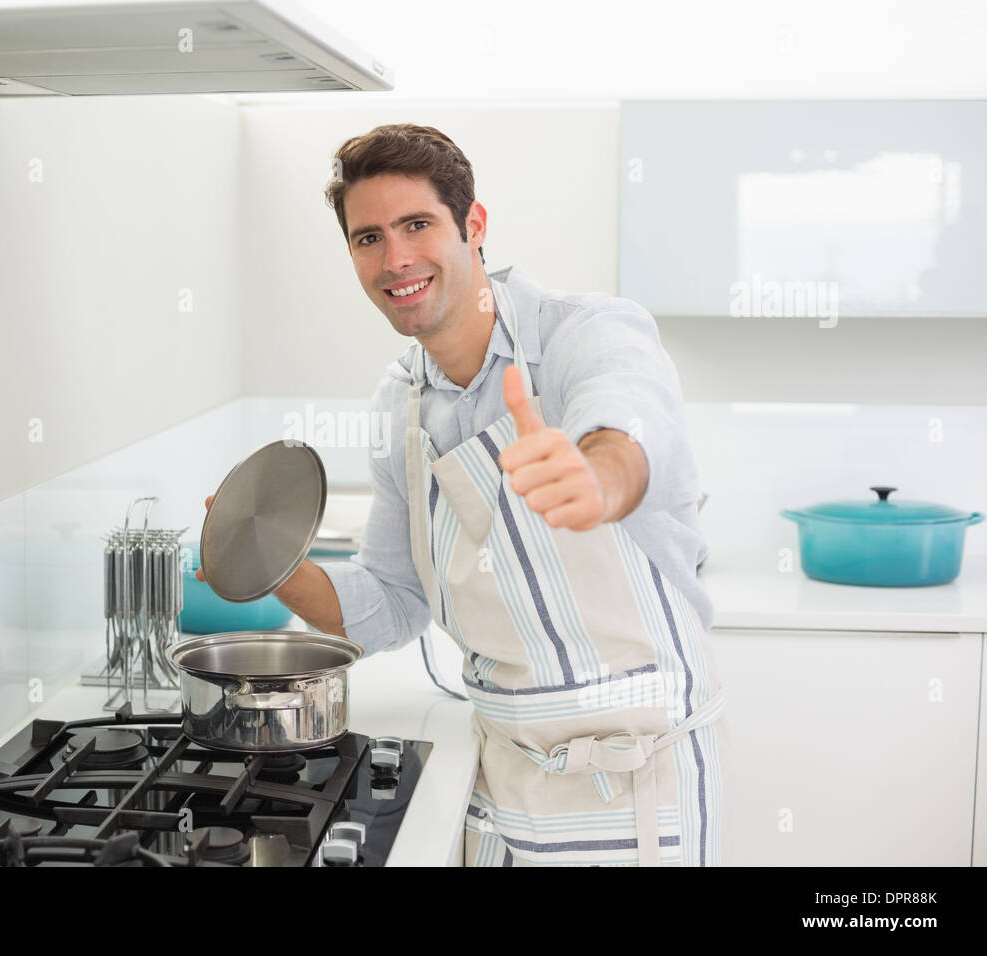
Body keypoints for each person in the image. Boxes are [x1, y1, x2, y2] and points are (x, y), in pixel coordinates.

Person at [201, 123, 729, 867]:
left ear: (473, 225)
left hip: (644, 783)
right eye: (368, 238)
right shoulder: (400, 405)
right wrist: (269, 559)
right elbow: (390, 599)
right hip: (504, 779)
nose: (397, 259)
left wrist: (596, 477)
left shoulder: (584, 332)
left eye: (417, 225)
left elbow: (627, 420)